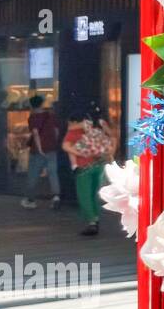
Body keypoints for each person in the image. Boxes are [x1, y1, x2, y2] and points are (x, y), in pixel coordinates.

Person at [61, 103, 117, 236]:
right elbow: (113, 138)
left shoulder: (72, 132)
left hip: (84, 168)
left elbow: (65, 146)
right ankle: (95, 218)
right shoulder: (96, 129)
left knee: (84, 195)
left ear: (73, 121)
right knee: (94, 194)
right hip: (99, 165)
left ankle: (92, 222)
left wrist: (81, 153)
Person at [21, 94, 61, 209]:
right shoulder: (51, 115)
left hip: (37, 151)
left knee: (33, 174)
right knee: (53, 173)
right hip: (51, 149)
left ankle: (31, 199)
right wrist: (54, 142)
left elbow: (35, 133)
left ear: (31, 105)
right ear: (42, 103)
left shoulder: (33, 117)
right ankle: (56, 196)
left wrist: (40, 148)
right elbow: (56, 131)